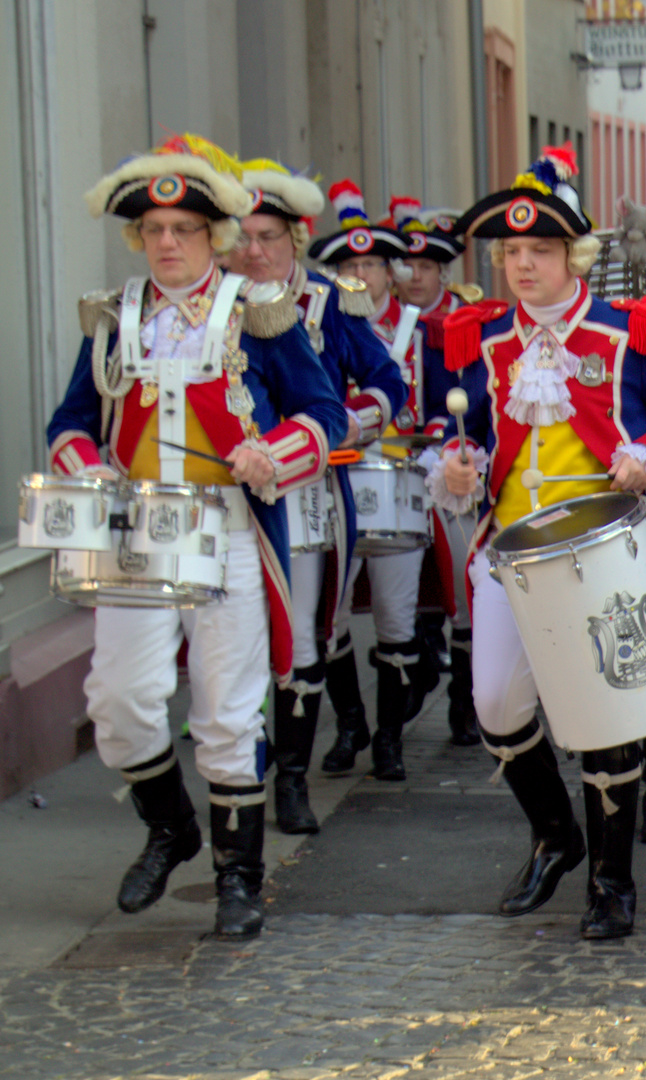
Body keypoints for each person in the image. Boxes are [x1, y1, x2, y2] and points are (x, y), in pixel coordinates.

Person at [430, 146, 646, 939]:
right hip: (512, 549)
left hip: (604, 553)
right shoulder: (485, 340)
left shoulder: (632, 331)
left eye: (539, 252)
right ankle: (555, 834)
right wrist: (458, 468)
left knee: (606, 720)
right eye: (511, 254)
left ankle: (612, 880)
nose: (523, 267)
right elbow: (457, 434)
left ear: (574, 256)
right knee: (494, 704)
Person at [50, 134, 347, 938]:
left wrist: (271, 454)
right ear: (137, 239)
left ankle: (237, 877)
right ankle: (171, 826)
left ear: (212, 235)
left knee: (226, 712)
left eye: (183, 228)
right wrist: (86, 463)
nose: (167, 243)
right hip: (139, 532)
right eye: (153, 231)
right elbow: (72, 421)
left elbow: (325, 413)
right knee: (119, 704)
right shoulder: (114, 319)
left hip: (226, 532)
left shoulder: (257, 314)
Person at [231, 160, 408, 832]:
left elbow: (385, 381)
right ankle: (244, 768)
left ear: (295, 239)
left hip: (306, 487)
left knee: (300, 630)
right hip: (230, 492)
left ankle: (293, 783)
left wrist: (351, 421)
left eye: (268, 236)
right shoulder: (217, 305)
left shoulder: (331, 301)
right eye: (243, 236)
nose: (254, 250)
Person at [307, 181, 439, 781]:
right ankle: (352, 723)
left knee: (395, 618)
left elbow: (440, 406)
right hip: (331, 483)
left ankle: (388, 738)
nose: (360, 274)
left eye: (371, 264)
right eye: (349, 265)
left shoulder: (421, 328)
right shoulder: (321, 325)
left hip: (398, 483)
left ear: (391, 272)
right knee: (327, 617)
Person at [390, 196, 486, 748]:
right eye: (409, 266)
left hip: (450, 466)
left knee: (461, 583)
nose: (416, 276)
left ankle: (463, 702)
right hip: (397, 467)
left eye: (427, 267)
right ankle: (419, 668)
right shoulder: (387, 321)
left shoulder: (462, 323)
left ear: (443, 272)